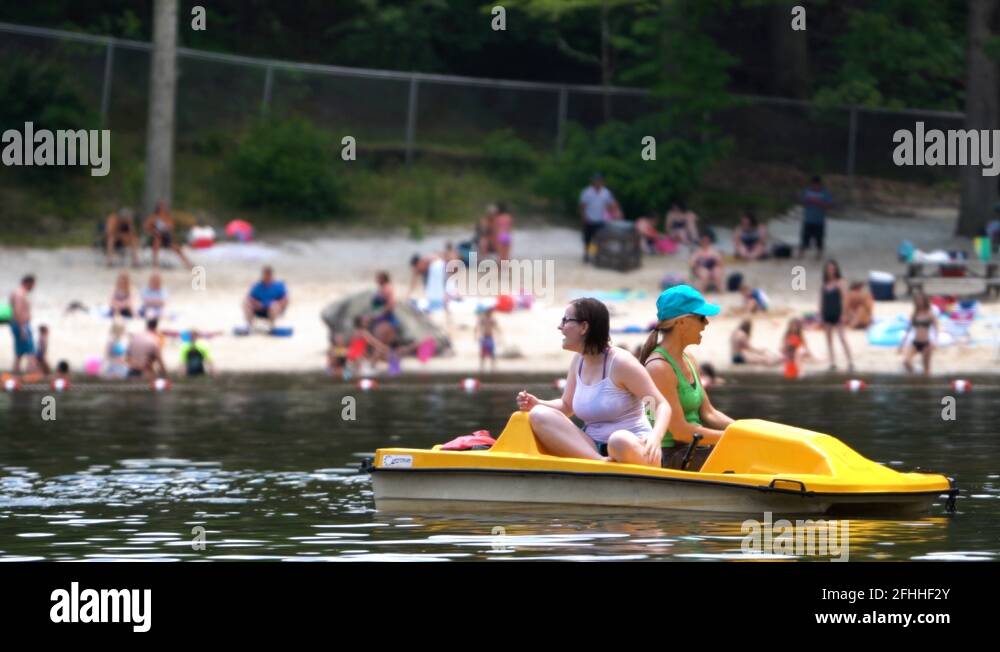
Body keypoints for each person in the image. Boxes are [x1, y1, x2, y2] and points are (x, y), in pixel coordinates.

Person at [515, 298, 671, 466]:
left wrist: (655, 437)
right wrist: (537, 403)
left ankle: (605, 462)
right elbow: (567, 406)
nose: (560, 326)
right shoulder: (578, 361)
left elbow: (660, 405)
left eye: (566, 320)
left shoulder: (621, 363)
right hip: (593, 448)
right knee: (539, 414)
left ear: (584, 327)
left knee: (618, 440)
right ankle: (601, 463)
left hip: (632, 449)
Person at [638, 285, 735, 469]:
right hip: (671, 455)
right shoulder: (659, 368)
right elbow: (680, 432)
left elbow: (709, 413)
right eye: (701, 317)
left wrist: (743, 429)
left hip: (692, 448)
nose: (706, 322)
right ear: (681, 323)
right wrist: (734, 438)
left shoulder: (689, 359)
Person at [820, 259, 854, 371]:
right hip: (827, 312)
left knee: (842, 337)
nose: (831, 271)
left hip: (837, 312)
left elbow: (845, 299)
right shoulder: (824, 284)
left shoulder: (840, 282)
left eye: (833, 269)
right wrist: (820, 314)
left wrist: (844, 314)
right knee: (829, 339)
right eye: (829, 269)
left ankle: (850, 361)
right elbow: (821, 300)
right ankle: (832, 361)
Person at [578, 174, 620, 263]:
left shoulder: (606, 192)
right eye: (596, 181)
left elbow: (610, 204)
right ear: (593, 182)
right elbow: (582, 206)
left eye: (599, 181)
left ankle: (597, 254)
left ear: (602, 182)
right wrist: (583, 217)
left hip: (601, 220)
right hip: (589, 219)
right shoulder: (587, 192)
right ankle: (587, 254)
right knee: (587, 239)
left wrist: (615, 214)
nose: (598, 183)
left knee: (599, 239)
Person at [144, 200, 193, 269]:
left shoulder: (167, 217)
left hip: (165, 238)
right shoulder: (153, 217)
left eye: (164, 206)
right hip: (156, 237)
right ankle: (155, 264)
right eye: (161, 206)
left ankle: (188, 263)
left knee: (176, 248)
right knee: (157, 241)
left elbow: (171, 227)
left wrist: (167, 228)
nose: (163, 208)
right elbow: (146, 227)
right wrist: (154, 231)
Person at [898, 293, 938, 376]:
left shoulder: (930, 314)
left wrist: (935, 341)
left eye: (920, 301)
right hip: (915, 342)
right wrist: (902, 344)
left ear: (924, 301)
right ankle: (915, 374)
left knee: (926, 369)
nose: (919, 302)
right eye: (917, 301)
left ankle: (925, 383)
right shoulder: (914, 314)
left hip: (926, 343)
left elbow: (935, 329)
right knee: (906, 362)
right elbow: (908, 330)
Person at [242, 266, 289, 330]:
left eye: (268, 275)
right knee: (246, 303)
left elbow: (285, 299)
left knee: (274, 306)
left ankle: (272, 327)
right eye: (265, 275)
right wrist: (256, 303)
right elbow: (249, 298)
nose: (267, 277)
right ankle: (249, 326)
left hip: (273, 309)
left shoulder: (279, 285)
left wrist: (278, 304)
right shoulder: (257, 286)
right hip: (259, 308)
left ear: (271, 275)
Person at [799, 176, 833, 260]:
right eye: (813, 185)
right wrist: (807, 201)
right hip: (808, 219)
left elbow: (829, 204)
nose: (815, 187)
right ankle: (801, 254)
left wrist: (818, 202)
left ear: (820, 184)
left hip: (819, 220)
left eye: (816, 185)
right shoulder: (807, 191)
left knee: (819, 238)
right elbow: (801, 200)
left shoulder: (825, 192)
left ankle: (819, 254)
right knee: (804, 237)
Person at [9, 275, 36, 374]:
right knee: (31, 351)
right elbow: (18, 310)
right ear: (28, 283)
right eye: (32, 285)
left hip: (18, 324)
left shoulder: (17, 292)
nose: (33, 288)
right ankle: (32, 376)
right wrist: (22, 328)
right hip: (21, 325)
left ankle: (15, 374)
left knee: (19, 353)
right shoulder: (20, 294)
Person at [475, 307, 499, 373]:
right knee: (483, 353)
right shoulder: (483, 319)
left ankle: (493, 367)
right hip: (484, 337)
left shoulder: (492, 319)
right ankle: (482, 367)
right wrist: (476, 335)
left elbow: (497, 327)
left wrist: (500, 336)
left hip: (490, 337)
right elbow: (477, 327)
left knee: (491, 353)